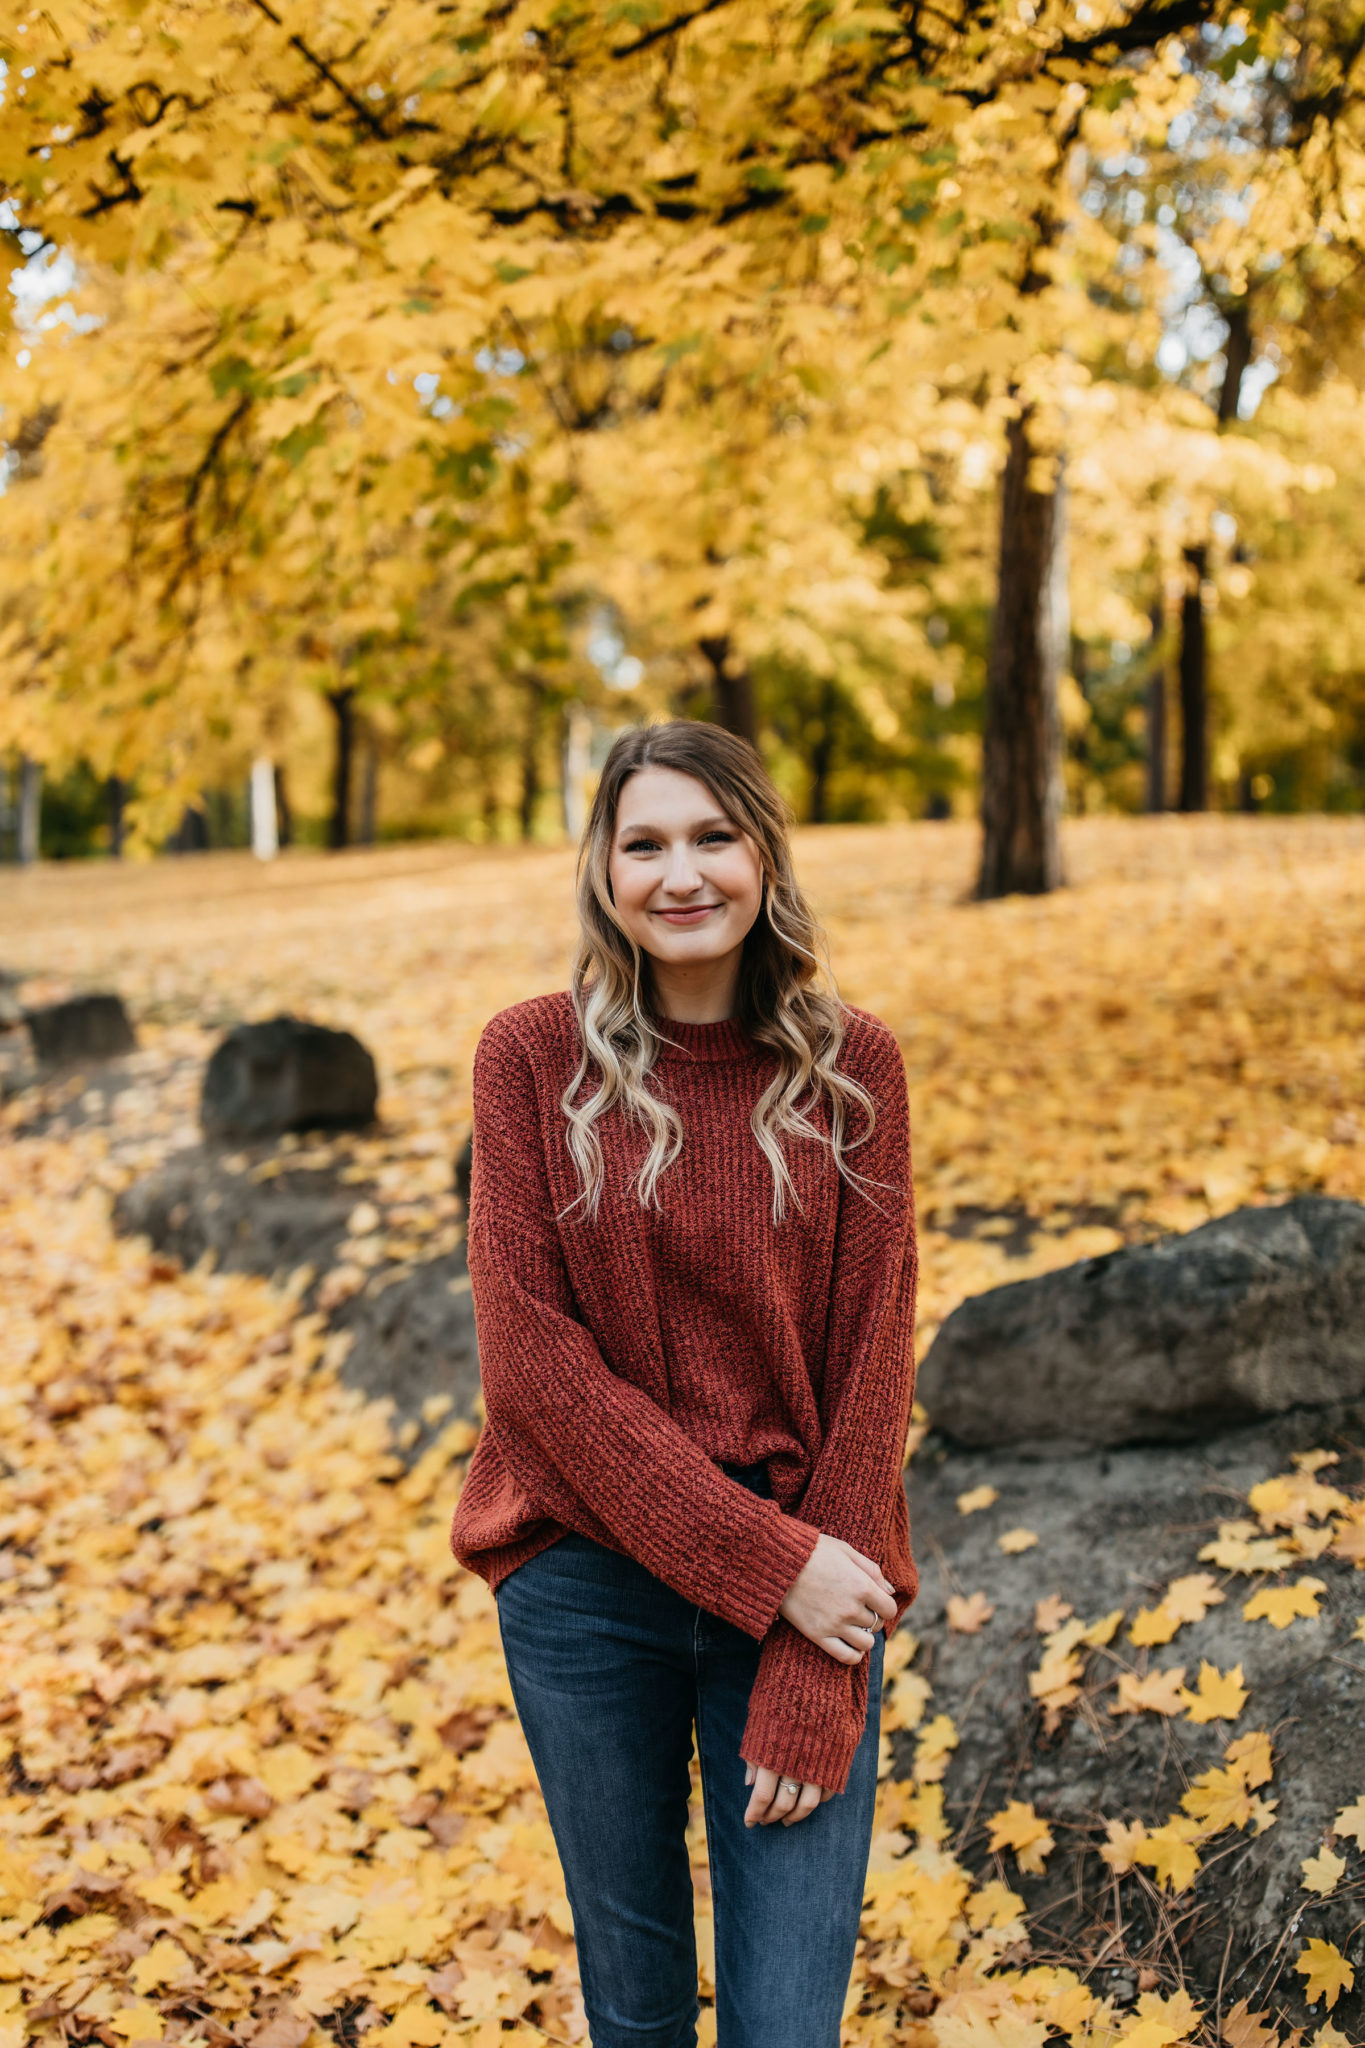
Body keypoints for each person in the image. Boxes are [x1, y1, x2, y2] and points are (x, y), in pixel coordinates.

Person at [450, 719, 918, 2048]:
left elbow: (872, 1364)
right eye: (644, 844)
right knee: (639, 2006)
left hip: (809, 1590)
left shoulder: (853, 1068)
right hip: (588, 1584)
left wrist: (814, 1646)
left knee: (787, 2025)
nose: (681, 875)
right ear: (603, 871)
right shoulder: (529, 1060)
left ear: (764, 854)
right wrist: (770, 1564)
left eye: (713, 837)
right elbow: (532, 1368)